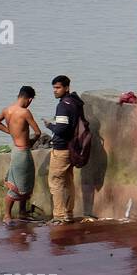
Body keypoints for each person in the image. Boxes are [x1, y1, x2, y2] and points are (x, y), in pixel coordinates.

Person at [0, 86, 42, 224]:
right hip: (23, 151)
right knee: (18, 184)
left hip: (15, 149)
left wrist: (11, 132)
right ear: (29, 99)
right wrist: (32, 141)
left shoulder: (7, 110)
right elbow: (38, 132)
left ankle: (22, 212)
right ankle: (7, 215)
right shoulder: (25, 112)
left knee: (23, 182)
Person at [46, 75, 84, 224]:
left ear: (67, 88)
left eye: (58, 88)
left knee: (55, 182)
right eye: (54, 88)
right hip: (73, 147)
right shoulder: (76, 102)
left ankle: (59, 216)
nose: (55, 91)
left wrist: (49, 125)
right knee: (68, 182)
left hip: (61, 148)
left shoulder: (63, 105)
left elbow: (61, 128)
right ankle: (68, 214)